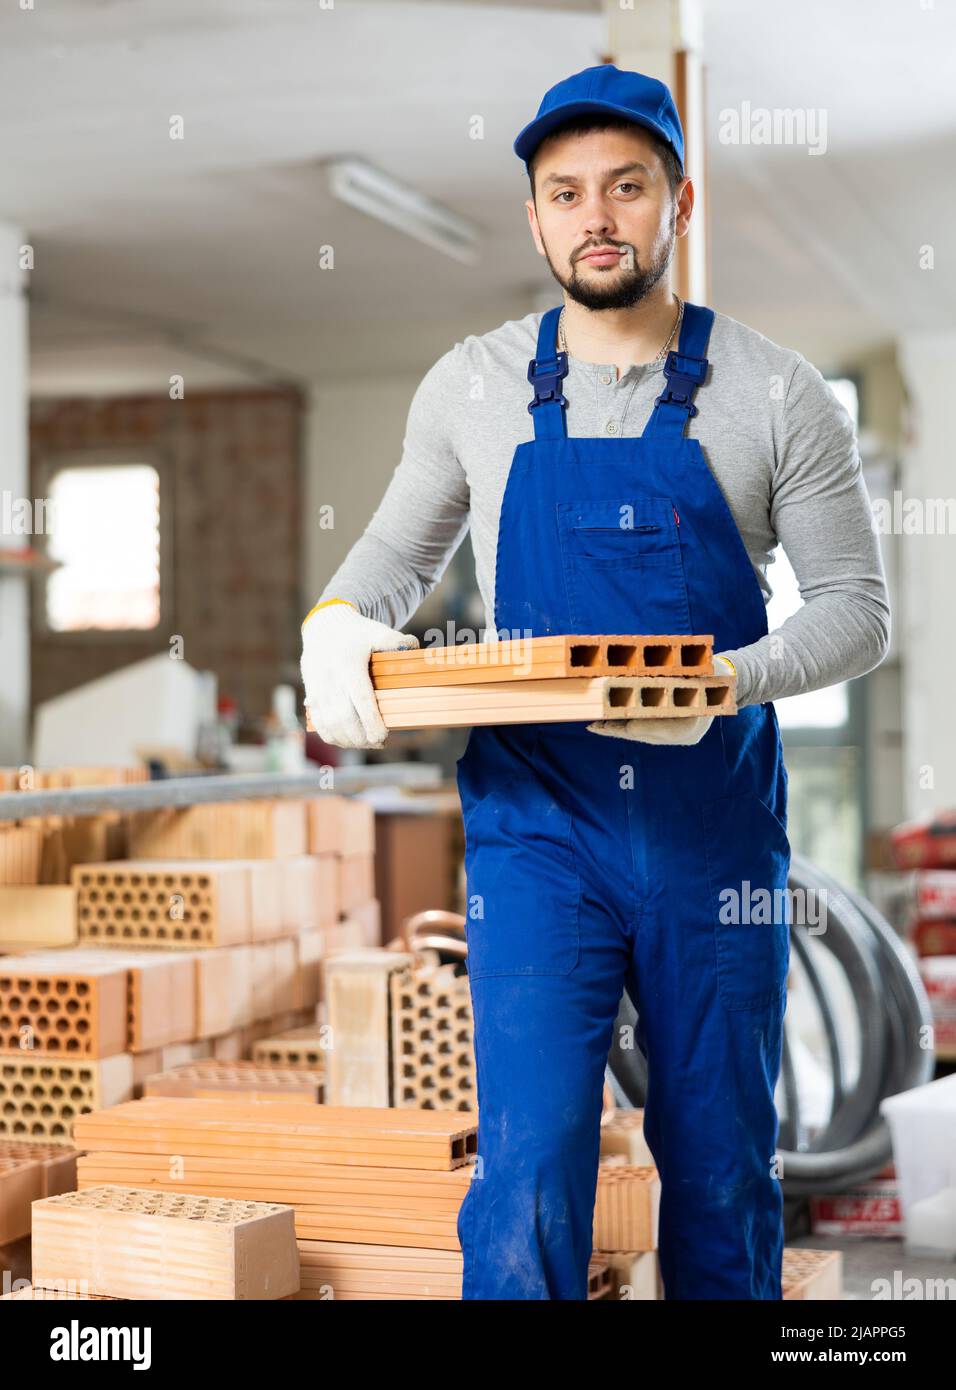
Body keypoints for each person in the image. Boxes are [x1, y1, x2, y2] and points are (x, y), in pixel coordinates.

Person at [300, 63, 890, 1299]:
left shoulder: (776, 394)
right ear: (533, 216)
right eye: (563, 193)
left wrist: (725, 680)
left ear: (679, 198)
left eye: (626, 186)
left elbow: (854, 612)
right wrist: (337, 628)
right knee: (530, 1163)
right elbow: (391, 562)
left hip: (708, 833)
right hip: (537, 831)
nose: (596, 216)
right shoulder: (472, 384)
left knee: (721, 1160)